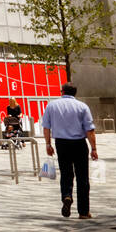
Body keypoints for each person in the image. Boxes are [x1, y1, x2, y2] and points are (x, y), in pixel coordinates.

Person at [41, 84, 98, 219]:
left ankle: (67, 195)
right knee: (82, 177)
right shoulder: (82, 106)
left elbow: (46, 128)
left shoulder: (52, 106)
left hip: (61, 143)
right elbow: (90, 130)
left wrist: (48, 144)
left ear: (62, 91)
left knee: (66, 173)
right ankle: (84, 212)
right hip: (79, 144)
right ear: (75, 92)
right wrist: (93, 148)